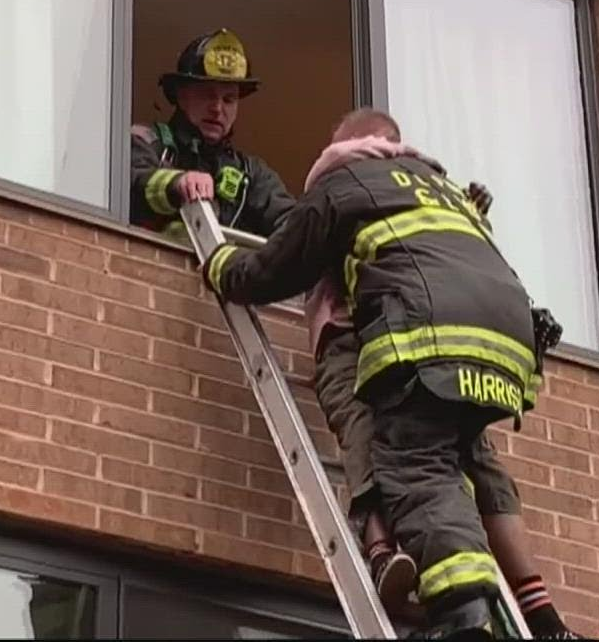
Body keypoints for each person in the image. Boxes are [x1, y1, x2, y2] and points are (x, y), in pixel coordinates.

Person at [202, 108, 560, 641]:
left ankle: (463, 619)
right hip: (506, 348)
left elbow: (277, 268)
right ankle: (536, 618)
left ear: (347, 146)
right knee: (470, 461)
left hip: (429, 334)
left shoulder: (346, 179)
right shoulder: (445, 190)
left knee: (417, 467)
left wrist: (221, 266)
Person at [304, 111, 581, 639]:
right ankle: (525, 611)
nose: (380, 160)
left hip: (407, 340)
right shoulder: (408, 187)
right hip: (398, 339)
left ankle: (464, 612)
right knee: (444, 454)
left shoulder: (385, 186)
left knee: (416, 459)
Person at [130, 28, 295, 242]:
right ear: (181, 96)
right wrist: (178, 183)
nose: (217, 108)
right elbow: (131, 181)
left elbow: (293, 224)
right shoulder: (147, 141)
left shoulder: (251, 175)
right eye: (207, 95)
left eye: (229, 100)